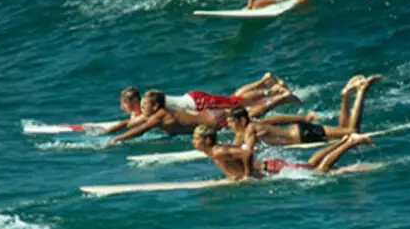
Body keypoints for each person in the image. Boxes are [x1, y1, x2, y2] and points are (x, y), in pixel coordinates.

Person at [103, 74, 296, 133]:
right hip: (194, 101)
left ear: (134, 101)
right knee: (235, 100)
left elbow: (132, 125)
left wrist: (111, 132)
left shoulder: (149, 108)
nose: (122, 108)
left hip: (198, 103)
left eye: (124, 104)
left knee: (236, 103)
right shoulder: (146, 103)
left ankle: (272, 92)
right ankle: (266, 85)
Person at [228, 74, 381, 147]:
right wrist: (302, 118)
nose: (229, 125)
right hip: (298, 130)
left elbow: (242, 150)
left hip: (302, 136)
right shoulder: (254, 124)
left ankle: (361, 92)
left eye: (231, 122)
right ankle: (345, 97)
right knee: (345, 131)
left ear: (241, 120)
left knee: (353, 132)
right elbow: (276, 119)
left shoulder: (247, 130)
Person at [105, 88, 291, 146]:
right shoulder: (157, 114)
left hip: (214, 120)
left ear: (154, 106)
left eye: (145, 105)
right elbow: (132, 123)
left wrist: (117, 140)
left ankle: (277, 100)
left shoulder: (159, 115)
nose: (142, 108)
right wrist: (111, 129)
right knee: (251, 118)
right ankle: (276, 100)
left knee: (253, 119)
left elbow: (140, 130)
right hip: (210, 116)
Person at [192, 124, 374, 181]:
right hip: (270, 166)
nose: (193, 142)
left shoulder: (218, 152)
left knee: (320, 171)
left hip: (271, 168)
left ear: (207, 140)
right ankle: (345, 141)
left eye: (196, 139)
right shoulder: (217, 151)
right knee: (312, 164)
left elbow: (246, 154)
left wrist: (247, 175)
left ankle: (350, 142)